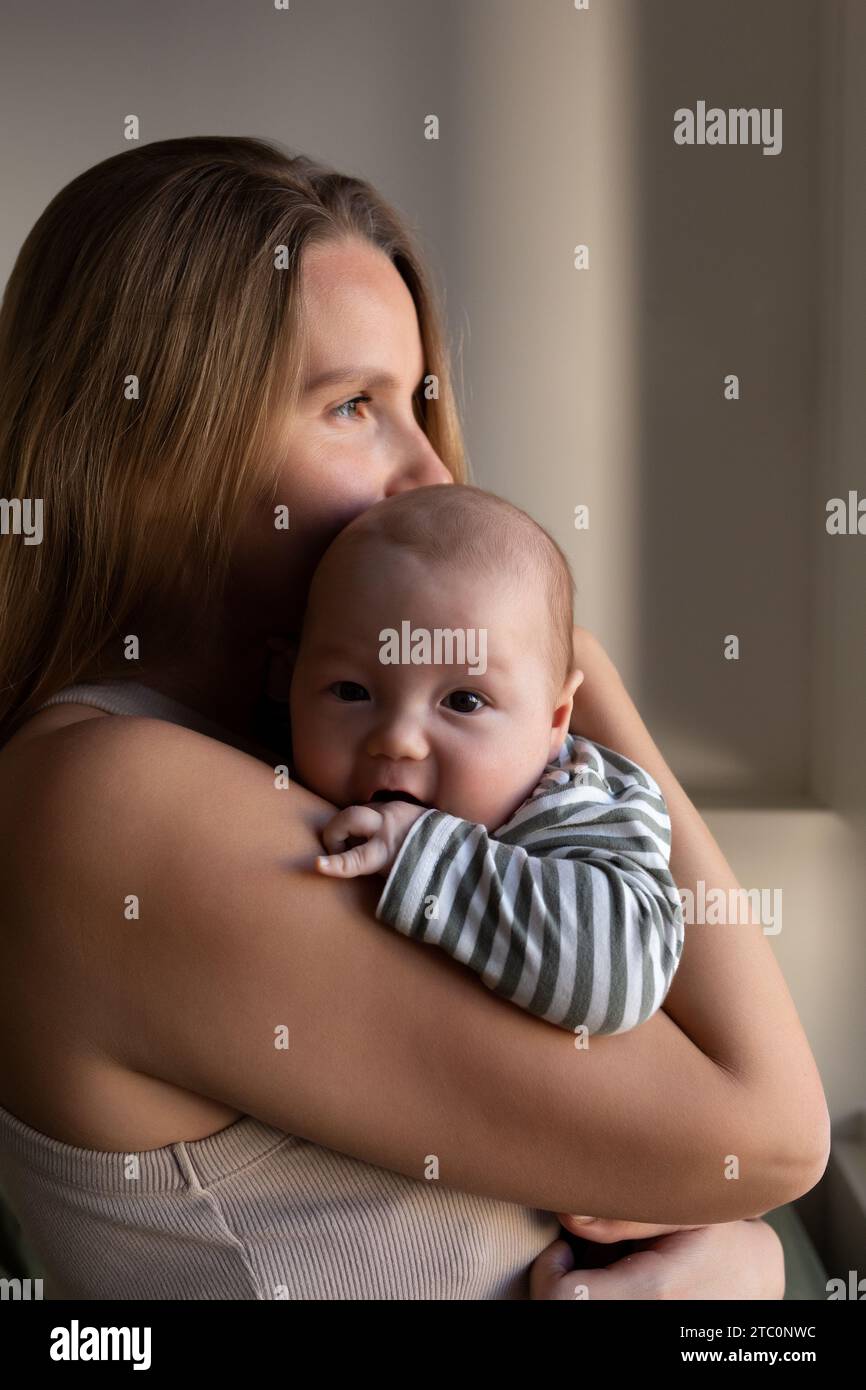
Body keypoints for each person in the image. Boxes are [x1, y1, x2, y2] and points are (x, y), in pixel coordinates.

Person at [0, 136, 827, 1300]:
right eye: (353, 406)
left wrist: (738, 1267)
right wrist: (568, 655)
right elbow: (771, 1132)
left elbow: (729, 1165)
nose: (432, 475)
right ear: (150, 441)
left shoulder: (305, 758)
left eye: (420, 405)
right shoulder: (110, 797)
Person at [289, 482, 685, 1036]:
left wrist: (422, 852)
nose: (398, 740)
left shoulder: (576, 802)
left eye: (464, 701)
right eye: (351, 691)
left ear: (555, 720)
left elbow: (621, 978)